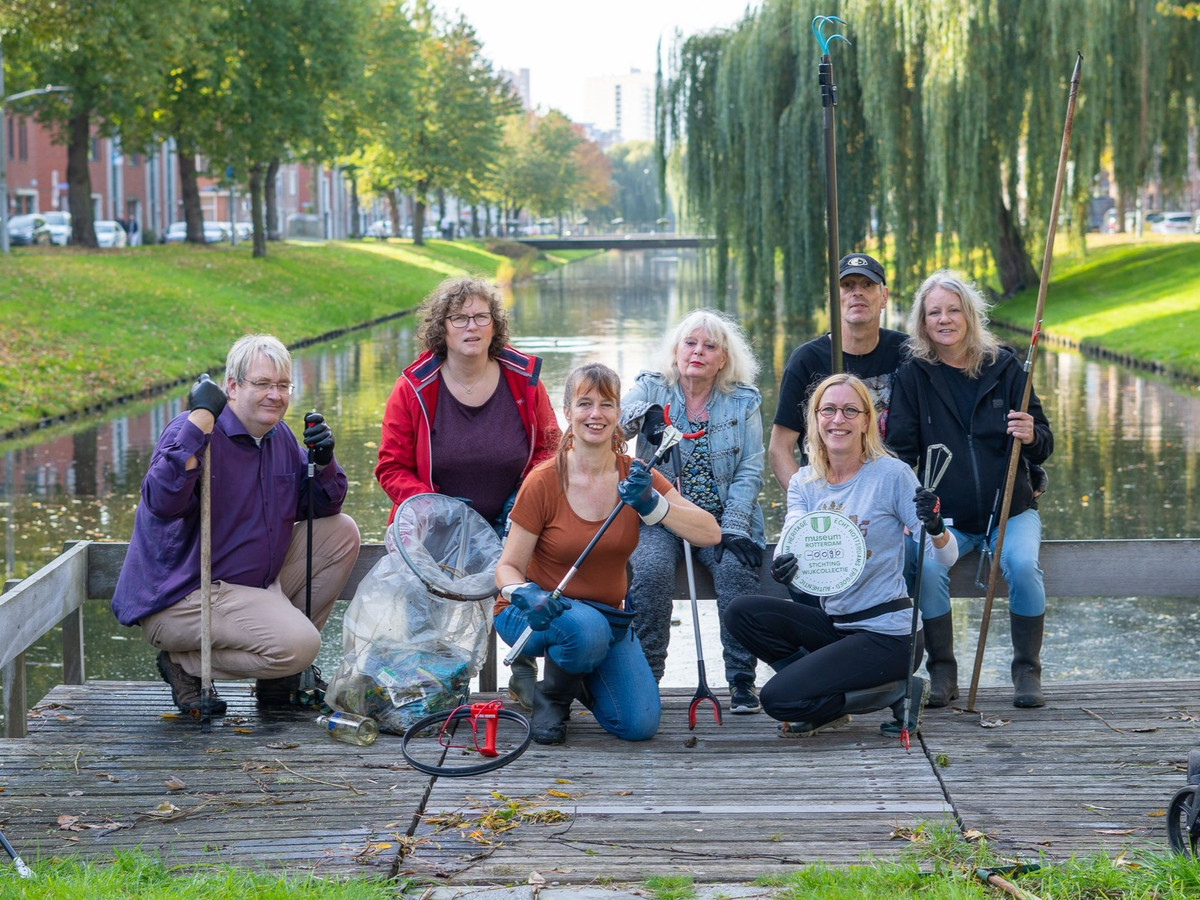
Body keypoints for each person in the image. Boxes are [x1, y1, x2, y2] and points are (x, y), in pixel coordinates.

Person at [111, 334, 361, 716]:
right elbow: (163, 502)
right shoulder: (194, 433)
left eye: (282, 385)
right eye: (262, 384)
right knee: (300, 645)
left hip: (251, 590)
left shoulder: (278, 438)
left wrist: (324, 461)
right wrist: (198, 422)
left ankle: (279, 680)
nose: (275, 395)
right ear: (232, 386)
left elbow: (321, 507)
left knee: (341, 532)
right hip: (186, 597)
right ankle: (183, 665)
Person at [493, 363, 721, 745]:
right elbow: (507, 568)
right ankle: (553, 697)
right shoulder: (544, 480)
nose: (595, 414)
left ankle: (580, 671)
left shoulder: (634, 475)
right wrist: (523, 593)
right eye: (584, 404)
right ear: (567, 412)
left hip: (605, 619)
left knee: (638, 725)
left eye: (606, 404)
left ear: (619, 414)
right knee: (585, 629)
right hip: (533, 614)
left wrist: (654, 506)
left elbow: (709, 532)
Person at [724, 374, 957, 737]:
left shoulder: (891, 475)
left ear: (867, 420)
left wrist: (936, 526)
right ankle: (819, 692)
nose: (838, 419)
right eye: (829, 409)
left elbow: (945, 559)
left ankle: (897, 689)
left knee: (777, 700)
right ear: (815, 419)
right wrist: (786, 563)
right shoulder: (805, 481)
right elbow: (793, 534)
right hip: (836, 626)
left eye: (850, 410)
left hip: (888, 635)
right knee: (741, 613)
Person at [375, 276, 560, 709]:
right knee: (422, 589)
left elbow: (551, 452)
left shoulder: (524, 381)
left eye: (481, 317)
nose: (471, 327)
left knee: (542, 551)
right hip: (436, 522)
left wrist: (524, 502)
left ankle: (524, 669)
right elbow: (390, 466)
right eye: (459, 318)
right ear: (442, 327)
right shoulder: (414, 388)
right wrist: (432, 505)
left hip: (514, 516)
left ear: (495, 326)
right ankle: (432, 686)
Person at [887, 270, 1054, 709]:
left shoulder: (1008, 367)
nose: (945, 319)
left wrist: (1032, 434)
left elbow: (1047, 443)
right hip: (948, 517)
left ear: (970, 314)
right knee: (921, 564)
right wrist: (908, 511)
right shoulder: (913, 376)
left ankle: (1027, 672)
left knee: (1022, 565)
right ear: (923, 322)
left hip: (1009, 511)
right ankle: (942, 670)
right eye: (934, 312)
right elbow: (900, 455)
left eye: (954, 309)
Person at [619, 309, 766, 713]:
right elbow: (613, 422)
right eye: (690, 343)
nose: (698, 352)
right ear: (676, 349)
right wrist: (641, 415)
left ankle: (741, 680)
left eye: (710, 346)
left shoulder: (744, 400)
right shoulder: (651, 387)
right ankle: (649, 678)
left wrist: (734, 527)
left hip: (720, 518)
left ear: (724, 358)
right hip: (659, 515)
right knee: (649, 571)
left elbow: (751, 467)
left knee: (736, 570)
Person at [768, 252, 907, 492]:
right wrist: (808, 503)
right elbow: (779, 448)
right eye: (847, 285)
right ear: (833, 298)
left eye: (867, 285)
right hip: (826, 494)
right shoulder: (806, 360)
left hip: (889, 496)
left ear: (884, 297)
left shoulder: (906, 354)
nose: (858, 292)